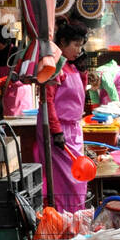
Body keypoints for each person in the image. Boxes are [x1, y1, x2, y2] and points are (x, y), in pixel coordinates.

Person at [44, 17, 89, 214]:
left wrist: (83, 67)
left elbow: (81, 96)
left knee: (79, 178)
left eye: (81, 46)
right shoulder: (55, 67)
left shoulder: (72, 66)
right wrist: (56, 131)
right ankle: (64, 220)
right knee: (66, 181)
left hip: (74, 129)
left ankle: (75, 218)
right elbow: (48, 101)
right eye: (76, 45)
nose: (79, 50)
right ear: (62, 43)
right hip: (59, 129)